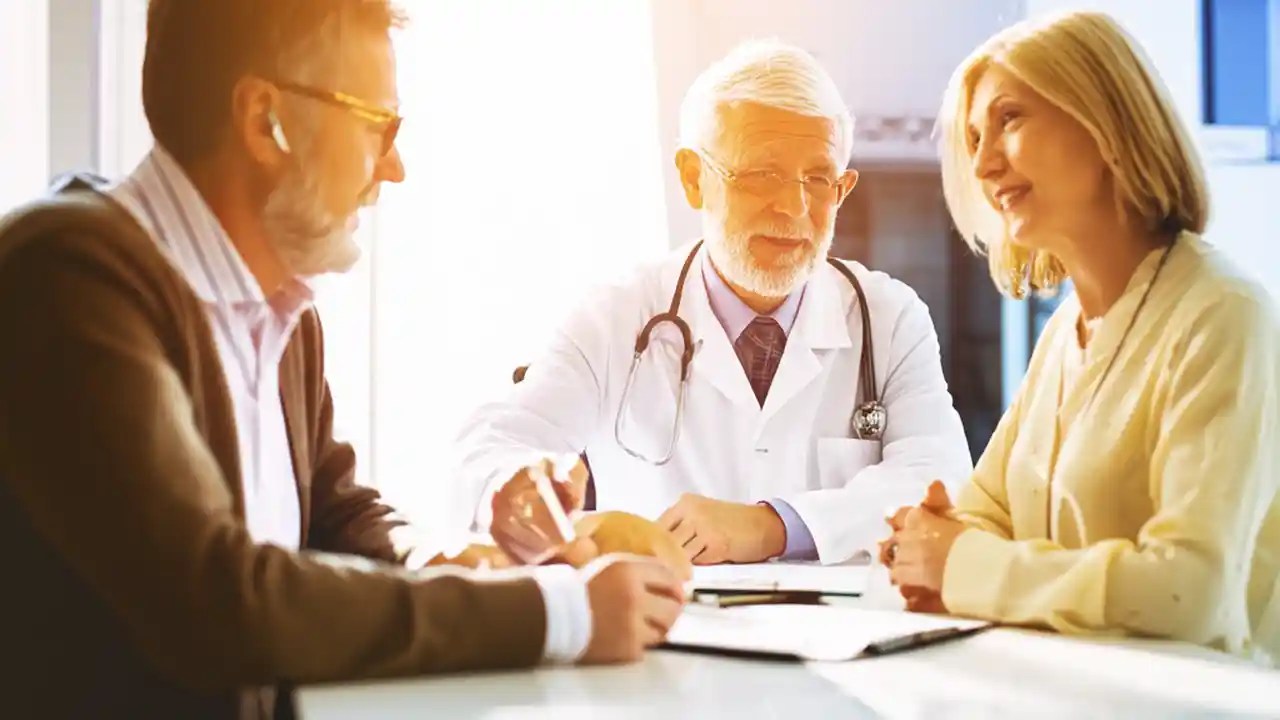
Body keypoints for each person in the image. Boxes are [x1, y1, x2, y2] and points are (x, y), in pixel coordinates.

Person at [0, 2, 682, 717]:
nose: (395, 165)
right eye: (377, 125)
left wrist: (441, 559)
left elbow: (339, 515)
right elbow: (211, 599)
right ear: (267, 120)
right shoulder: (67, 278)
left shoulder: (280, 306)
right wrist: (557, 615)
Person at [458, 40, 973, 568]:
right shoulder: (615, 315)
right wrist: (517, 487)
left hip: (849, 636)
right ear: (692, 177)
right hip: (666, 627)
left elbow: (939, 478)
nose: (794, 208)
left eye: (818, 179)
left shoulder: (888, 317)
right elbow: (500, 442)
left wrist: (772, 525)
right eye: (762, 174)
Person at [881, 10, 1279, 665]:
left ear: (1106, 124)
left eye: (1009, 119)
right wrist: (934, 541)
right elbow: (985, 515)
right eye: (974, 135)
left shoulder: (1223, 315)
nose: (982, 163)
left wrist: (966, 565)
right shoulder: (1068, 331)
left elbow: (1192, 594)